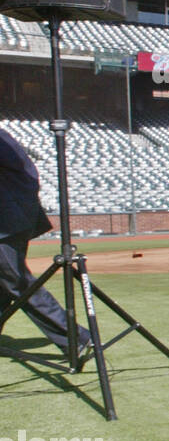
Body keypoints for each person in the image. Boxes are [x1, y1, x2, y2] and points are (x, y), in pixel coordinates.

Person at [0, 128, 90, 354]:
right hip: (14, 219)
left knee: (17, 281)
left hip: (7, 223)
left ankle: (74, 338)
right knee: (4, 283)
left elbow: (27, 177)